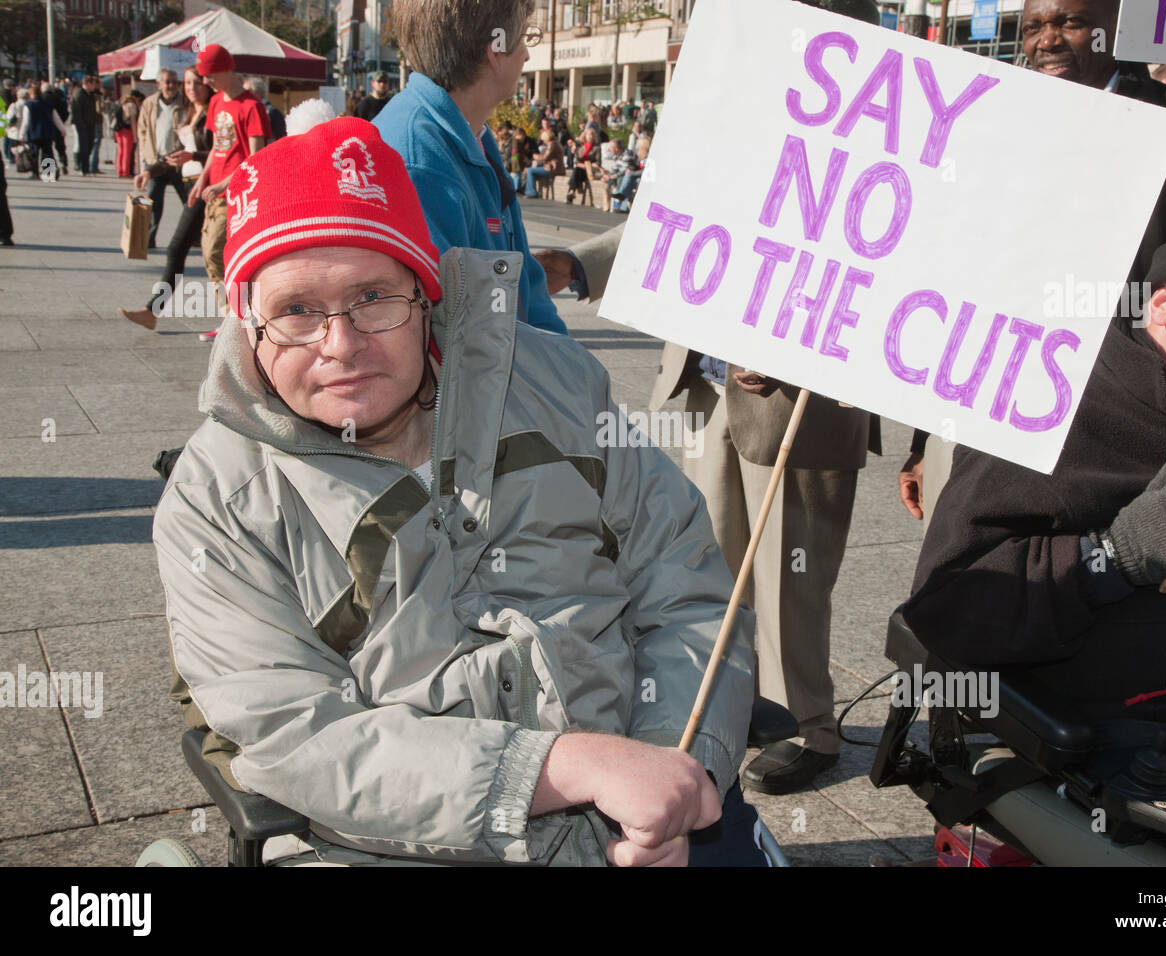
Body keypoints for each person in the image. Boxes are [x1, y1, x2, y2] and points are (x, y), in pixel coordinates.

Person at [153, 116, 760, 867]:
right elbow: (292, 730)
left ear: (426, 293)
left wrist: (676, 767)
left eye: (373, 295)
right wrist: (561, 769)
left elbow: (692, 593)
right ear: (248, 324)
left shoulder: (563, 385)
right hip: (399, 847)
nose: (341, 344)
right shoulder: (214, 497)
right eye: (297, 310)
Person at [904, 194, 1166, 867]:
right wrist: (1111, 558)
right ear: (1162, 303)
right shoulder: (1053, 402)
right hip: (1165, 747)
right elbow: (945, 613)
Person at [534, 217, 881, 795]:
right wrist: (581, 262)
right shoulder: (730, 130)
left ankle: (810, 727)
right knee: (706, 565)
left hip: (800, 397)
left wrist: (793, 341)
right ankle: (734, 702)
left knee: (787, 578)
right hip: (707, 385)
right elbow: (685, 210)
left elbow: (880, 264)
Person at [898, 0, 1166, 525]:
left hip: (1114, 412)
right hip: (984, 401)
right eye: (1033, 27)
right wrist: (926, 436)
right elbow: (961, 276)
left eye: (1069, 23)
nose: (1047, 41)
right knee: (970, 576)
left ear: (1113, 27)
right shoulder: (990, 121)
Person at [374, 0, 564, 334]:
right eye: (526, 38)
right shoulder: (418, 160)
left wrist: (566, 365)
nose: (527, 55)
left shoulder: (469, 133)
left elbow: (525, 280)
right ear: (495, 51)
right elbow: (457, 332)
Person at [120, 67, 213, 329]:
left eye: (196, 83)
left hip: (205, 186)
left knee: (184, 250)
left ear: (207, 85)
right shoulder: (192, 112)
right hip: (192, 182)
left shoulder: (212, 114)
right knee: (196, 252)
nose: (190, 87)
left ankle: (154, 310)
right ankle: (153, 311)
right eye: (187, 83)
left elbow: (222, 155)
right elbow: (178, 152)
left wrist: (193, 157)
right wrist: (150, 171)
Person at [189, 43, 269, 343]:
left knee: (214, 252)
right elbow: (216, 148)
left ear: (225, 69)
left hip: (236, 196)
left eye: (208, 76)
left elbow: (255, 158)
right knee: (212, 256)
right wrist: (202, 180)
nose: (204, 82)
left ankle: (236, 319)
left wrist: (224, 184)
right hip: (214, 191)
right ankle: (229, 318)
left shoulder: (251, 106)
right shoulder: (215, 103)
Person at [134, 70, 188, 247]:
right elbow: (142, 133)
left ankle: (193, 237)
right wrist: (143, 163)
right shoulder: (149, 103)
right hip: (155, 160)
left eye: (174, 82)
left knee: (189, 202)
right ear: (159, 84)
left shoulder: (185, 102)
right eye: (167, 82)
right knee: (153, 203)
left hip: (178, 160)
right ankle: (148, 239)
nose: (171, 85)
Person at [19, 83, 65, 180]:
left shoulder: (29, 105)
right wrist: (62, 130)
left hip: (34, 133)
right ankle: (49, 173)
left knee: (34, 153)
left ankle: (35, 173)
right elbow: (56, 118)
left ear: (31, 94)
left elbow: (26, 121)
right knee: (47, 153)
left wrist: (21, 134)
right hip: (47, 132)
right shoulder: (48, 104)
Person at [70, 74, 102, 176]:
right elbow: (77, 111)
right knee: (83, 146)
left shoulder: (91, 94)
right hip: (82, 124)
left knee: (89, 145)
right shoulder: (79, 94)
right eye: (93, 84)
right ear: (87, 84)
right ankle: (84, 168)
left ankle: (85, 166)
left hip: (90, 123)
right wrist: (81, 123)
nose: (94, 87)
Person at [243, 76, 286, 143]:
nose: (243, 94)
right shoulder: (246, 110)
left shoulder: (271, 111)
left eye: (248, 91)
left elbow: (281, 137)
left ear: (258, 92)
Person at [523, 127, 562, 197]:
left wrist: (536, 157)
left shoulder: (551, 144)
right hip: (554, 167)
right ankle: (529, 190)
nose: (543, 141)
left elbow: (545, 157)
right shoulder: (555, 143)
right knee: (532, 169)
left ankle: (531, 192)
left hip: (552, 169)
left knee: (530, 171)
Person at [566, 125, 601, 203]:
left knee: (575, 172)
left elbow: (598, 162)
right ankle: (571, 192)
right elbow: (577, 160)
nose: (590, 137)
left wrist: (587, 165)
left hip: (590, 170)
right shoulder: (581, 147)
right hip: (580, 169)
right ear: (585, 136)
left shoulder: (596, 148)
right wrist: (574, 152)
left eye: (592, 135)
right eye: (589, 135)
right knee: (576, 170)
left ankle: (571, 192)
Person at [43, 79, 69, 175]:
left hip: (46, 128)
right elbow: (65, 112)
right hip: (58, 126)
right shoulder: (58, 98)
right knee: (61, 147)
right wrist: (63, 122)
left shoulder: (42, 99)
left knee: (47, 149)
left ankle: (49, 170)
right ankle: (63, 163)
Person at [112, 90, 138, 178]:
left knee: (120, 151)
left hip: (118, 130)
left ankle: (120, 170)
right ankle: (126, 172)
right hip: (127, 131)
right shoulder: (131, 106)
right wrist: (135, 136)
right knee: (127, 152)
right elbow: (133, 121)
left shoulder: (120, 104)